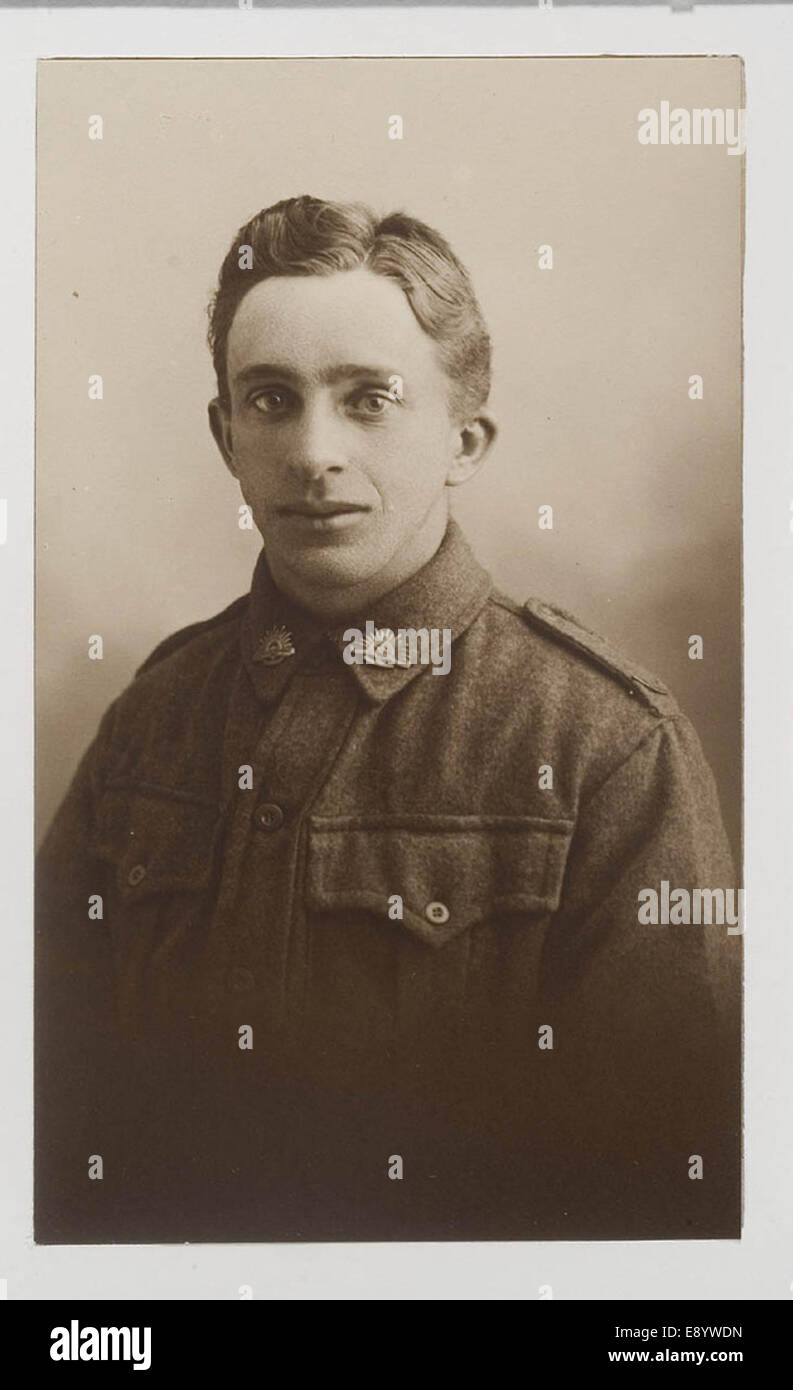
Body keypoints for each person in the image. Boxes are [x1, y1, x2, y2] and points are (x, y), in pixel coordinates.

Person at [35, 195, 741, 1243]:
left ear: (464, 438)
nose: (314, 450)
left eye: (368, 399)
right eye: (270, 401)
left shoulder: (602, 745)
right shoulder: (156, 715)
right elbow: (48, 1111)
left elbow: (667, 1195)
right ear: (226, 434)